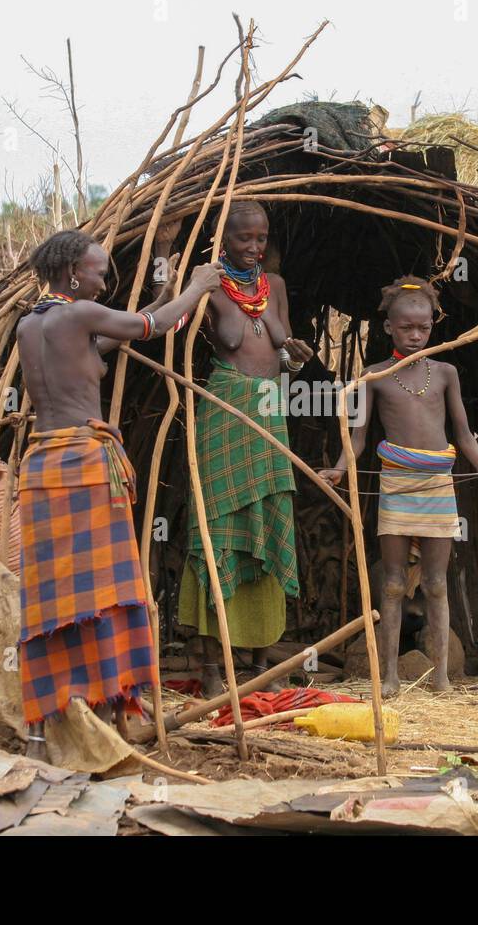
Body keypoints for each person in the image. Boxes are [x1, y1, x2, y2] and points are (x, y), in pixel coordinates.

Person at [15, 228, 220, 759]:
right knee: (105, 593)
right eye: (99, 272)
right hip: (84, 464)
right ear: (71, 272)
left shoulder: (33, 325)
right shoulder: (79, 316)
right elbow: (151, 327)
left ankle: (41, 729)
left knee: (49, 600)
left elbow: (116, 335)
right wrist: (198, 286)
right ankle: (107, 711)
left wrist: (162, 286)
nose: (105, 283)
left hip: (40, 467)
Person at [319, 277, 478, 696]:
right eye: (406, 328)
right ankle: (389, 678)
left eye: (423, 327)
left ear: (433, 325)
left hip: (438, 480)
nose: (416, 335)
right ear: (388, 328)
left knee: (437, 582)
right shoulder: (373, 376)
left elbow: (463, 430)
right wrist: (338, 470)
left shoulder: (445, 372)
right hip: (396, 482)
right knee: (394, 583)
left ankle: (440, 679)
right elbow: (359, 438)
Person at [175, 202, 315, 697]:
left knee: (268, 518)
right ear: (224, 239)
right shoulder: (208, 282)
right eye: (243, 239)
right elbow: (166, 323)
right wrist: (178, 280)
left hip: (270, 409)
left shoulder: (273, 287)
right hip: (226, 407)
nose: (253, 248)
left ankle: (257, 666)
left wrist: (295, 359)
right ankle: (213, 666)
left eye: (261, 238)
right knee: (218, 526)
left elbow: (282, 349)